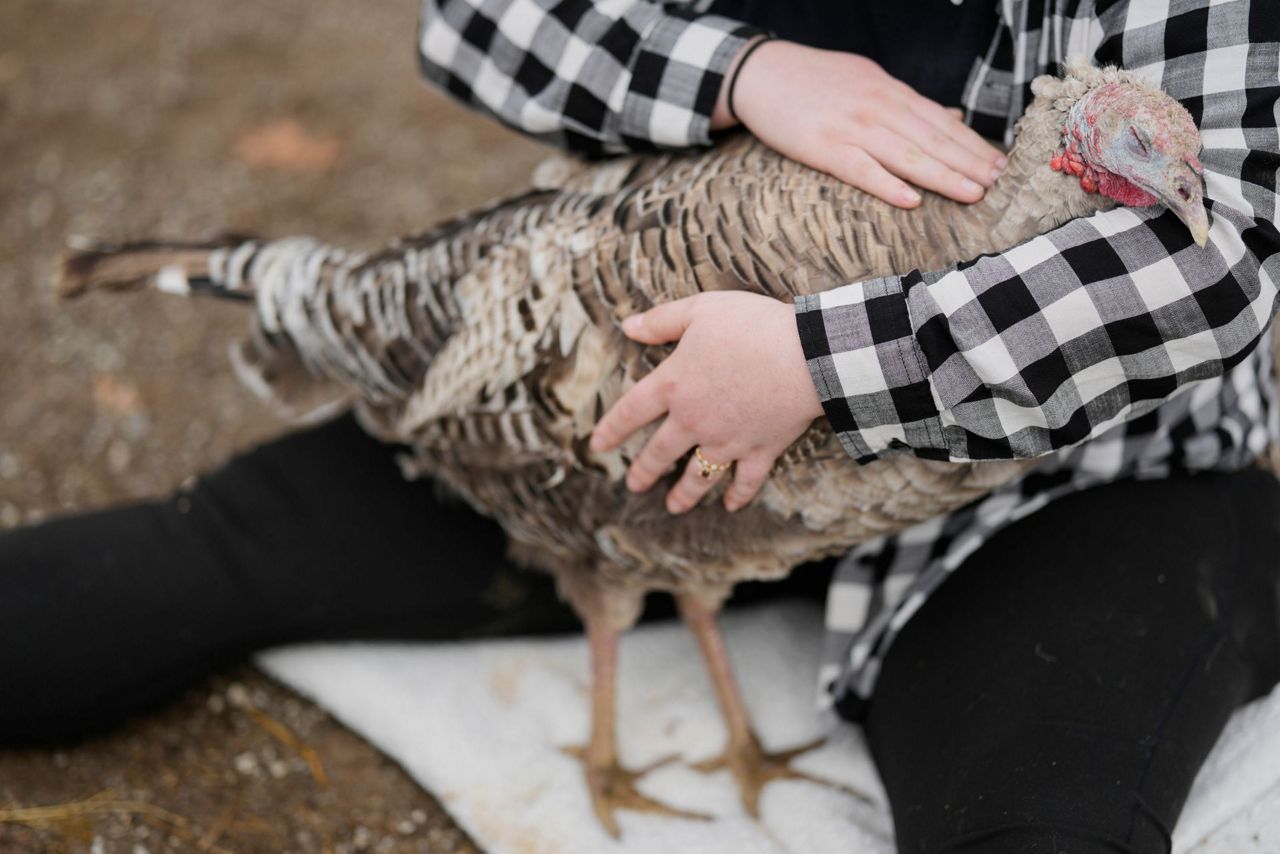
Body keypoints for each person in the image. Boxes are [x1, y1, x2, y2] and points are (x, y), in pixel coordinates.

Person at [3, 0, 1278, 850]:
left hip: (1073, 458)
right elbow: (478, 20)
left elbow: (1210, 262)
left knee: (1038, 811)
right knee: (207, 555)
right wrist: (739, 69)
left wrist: (818, 366)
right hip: (644, 394)